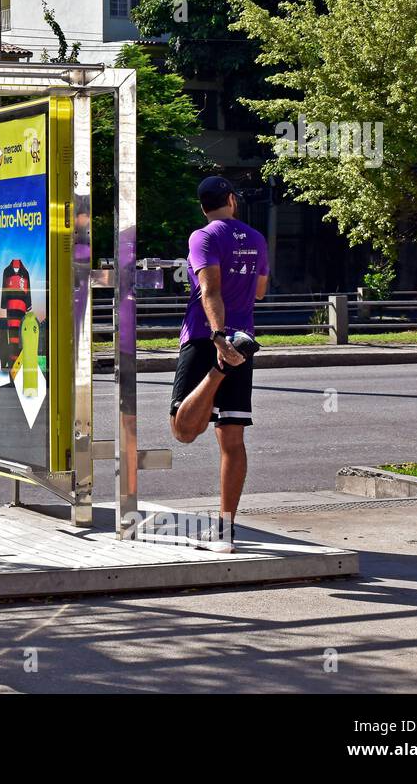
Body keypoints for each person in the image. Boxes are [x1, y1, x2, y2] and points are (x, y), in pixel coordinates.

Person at [168, 177, 269, 553]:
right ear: (231, 200)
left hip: (204, 338)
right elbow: (259, 290)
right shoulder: (256, 238)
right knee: (232, 438)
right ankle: (224, 532)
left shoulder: (202, 237)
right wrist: (230, 337)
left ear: (202, 206)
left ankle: (217, 370)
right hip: (243, 341)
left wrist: (216, 337)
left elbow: (208, 289)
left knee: (182, 430)